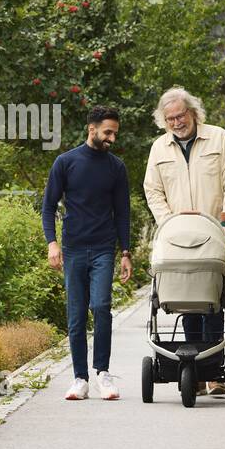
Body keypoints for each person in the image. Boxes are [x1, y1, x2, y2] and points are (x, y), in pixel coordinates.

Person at [143, 87, 225, 397]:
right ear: (164, 120)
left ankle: (214, 375)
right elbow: (153, 190)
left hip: (214, 234)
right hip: (177, 238)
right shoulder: (160, 148)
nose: (176, 122)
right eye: (170, 118)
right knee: (188, 299)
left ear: (193, 113)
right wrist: (168, 223)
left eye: (181, 115)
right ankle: (196, 376)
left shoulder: (218, 138)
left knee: (213, 302)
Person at [42, 106, 133, 401]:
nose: (112, 138)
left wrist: (126, 252)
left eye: (115, 133)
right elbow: (48, 207)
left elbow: (122, 213)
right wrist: (51, 243)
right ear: (91, 129)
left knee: (102, 306)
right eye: (108, 132)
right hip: (73, 248)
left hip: (104, 247)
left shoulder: (116, 167)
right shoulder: (65, 162)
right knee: (76, 313)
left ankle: (102, 374)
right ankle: (79, 378)